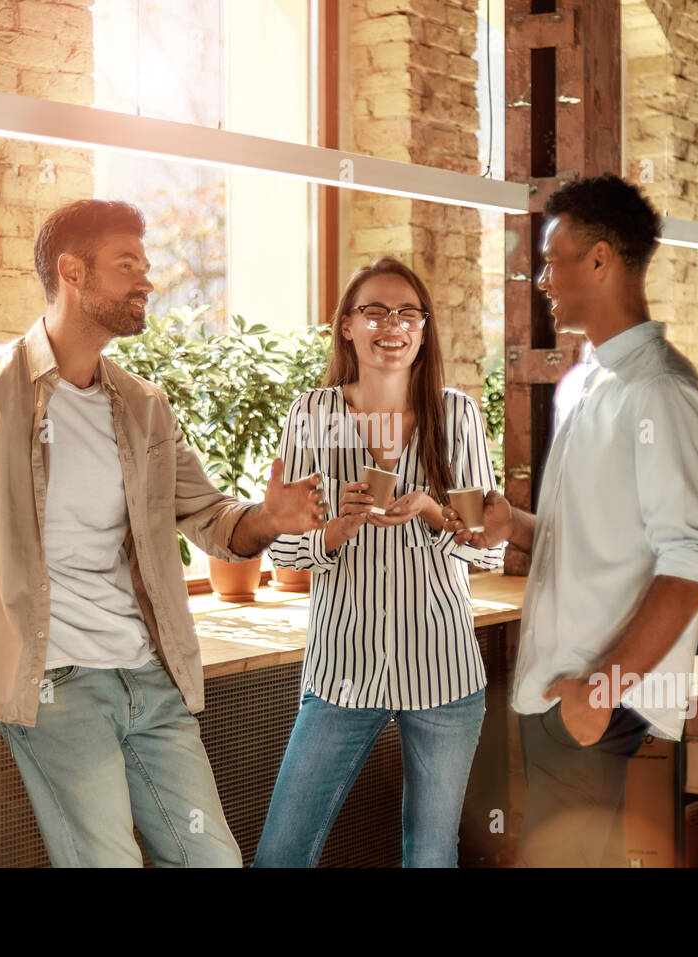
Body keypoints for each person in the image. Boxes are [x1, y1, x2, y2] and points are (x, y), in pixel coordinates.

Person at [0, 199, 327, 867]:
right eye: (128, 264)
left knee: (214, 860)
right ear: (73, 271)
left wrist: (273, 519)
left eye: (147, 265)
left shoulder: (144, 406)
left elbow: (210, 518)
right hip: (54, 686)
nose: (147, 280)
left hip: (150, 680)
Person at [445, 174, 698, 867]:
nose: (540, 279)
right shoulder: (589, 382)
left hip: (591, 693)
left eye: (551, 259)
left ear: (599, 260)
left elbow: (688, 565)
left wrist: (598, 693)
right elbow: (598, 537)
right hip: (559, 690)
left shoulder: (661, 391)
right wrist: (518, 525)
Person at [253, 256, 505, 868]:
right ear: (346, 326)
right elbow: (281, 544)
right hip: (343, 669)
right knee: (281, 853)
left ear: (423, 330)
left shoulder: (457, 416)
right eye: (374, 311)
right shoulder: (312, 415)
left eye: (407, 313)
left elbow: (486, 543)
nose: (392, 324)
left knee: (430, 856)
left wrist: (430, 513)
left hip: (442, 671)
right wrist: (334, 532)